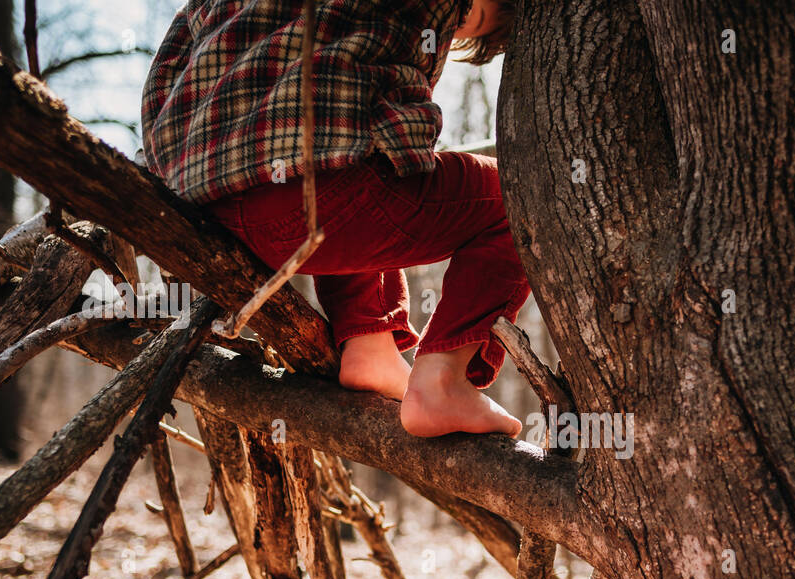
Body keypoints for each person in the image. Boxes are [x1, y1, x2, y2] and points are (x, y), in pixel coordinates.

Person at [141, 0, 527, 437]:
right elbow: (401, 130)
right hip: (303, 204)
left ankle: (369, 340)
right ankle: (443, 382)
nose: (452, 32)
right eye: (468, 19)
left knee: (344, 147)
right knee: (518, 198)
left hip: (203, 208)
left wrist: (170, 174)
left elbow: (164, 73)